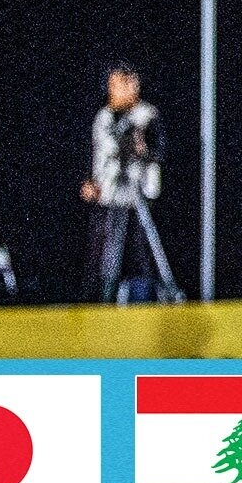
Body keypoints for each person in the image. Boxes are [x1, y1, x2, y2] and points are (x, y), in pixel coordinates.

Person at [81, 63, 172, 303]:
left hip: (138, 198)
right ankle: (101, 301)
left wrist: (141, 147)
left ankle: (144, 302)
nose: (123, 90)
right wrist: (89, 180)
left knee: (140, 256)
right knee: (103, 256)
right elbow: (97, 152)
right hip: (109, 196)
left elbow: (158, 150)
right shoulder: (103, 117)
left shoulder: (147, 114)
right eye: (117, 84)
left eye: (127, 83)